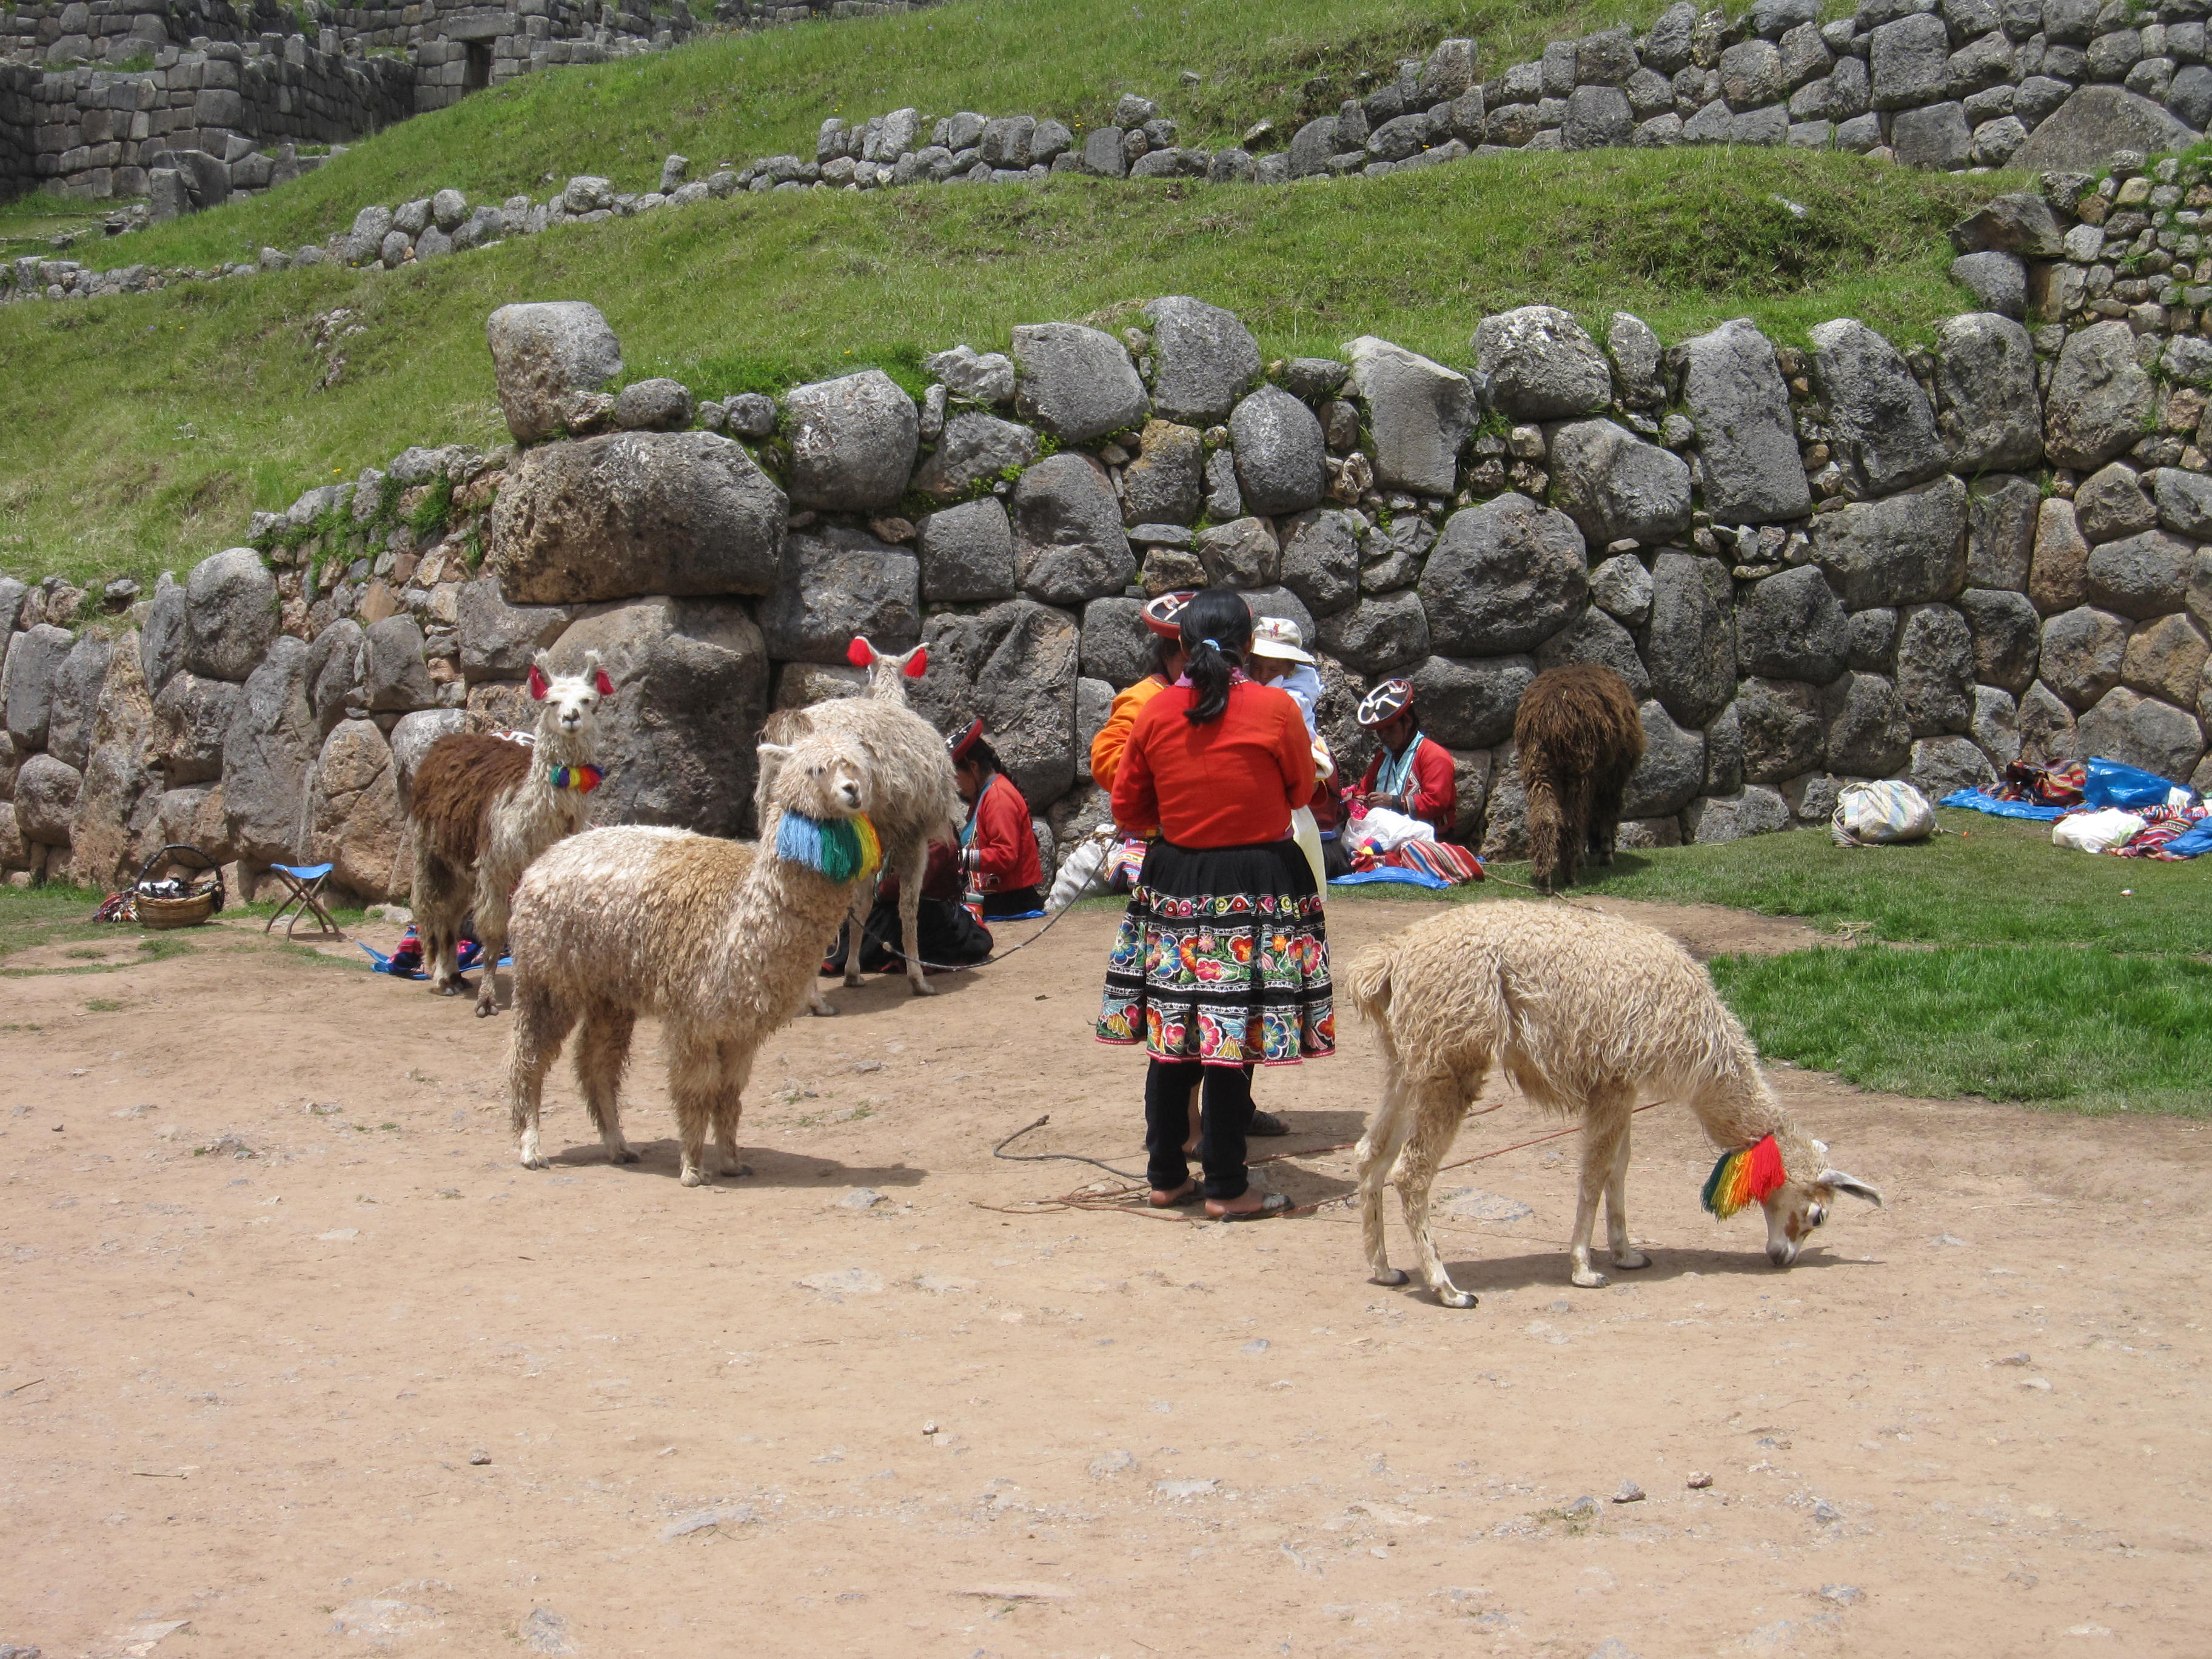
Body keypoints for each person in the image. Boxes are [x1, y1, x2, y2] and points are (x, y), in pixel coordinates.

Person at [1097, 588, 1334, 1220]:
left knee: (1173, 1031)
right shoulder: (1276, 709)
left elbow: (1127, 807)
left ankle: (1167, 1176)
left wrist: (1179, 826)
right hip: (1255, 883)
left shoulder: (1153, 713)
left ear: (1180, 644)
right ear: (1247, 644)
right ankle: (1228, 1186)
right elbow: (1300, 789)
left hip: (1175, 879)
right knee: (1235, 1033)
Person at [835, 719, 1039, 976]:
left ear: (973, 767)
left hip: (1008, 899)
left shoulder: (999, 798)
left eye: (957, 776)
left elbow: (1006, 855)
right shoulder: (986, 795)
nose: (955, 785)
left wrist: (958, 858)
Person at [1088, 591, 1191, 791]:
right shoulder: (1143, 697)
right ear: (1166, 656)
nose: (1199, 668)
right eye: (1187, 661)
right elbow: (1105, 758)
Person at [1354, 676, 1456, 833]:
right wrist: (1358, 801)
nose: (1384, 735)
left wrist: (1394, 802)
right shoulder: (1382, 758)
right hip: (1384, 835)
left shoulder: (1434, 756)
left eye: (1389, 728)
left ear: (1407, 721)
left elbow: (1436, 802)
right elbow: (1364, 790)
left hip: (1426, 841)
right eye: (1379, 730)